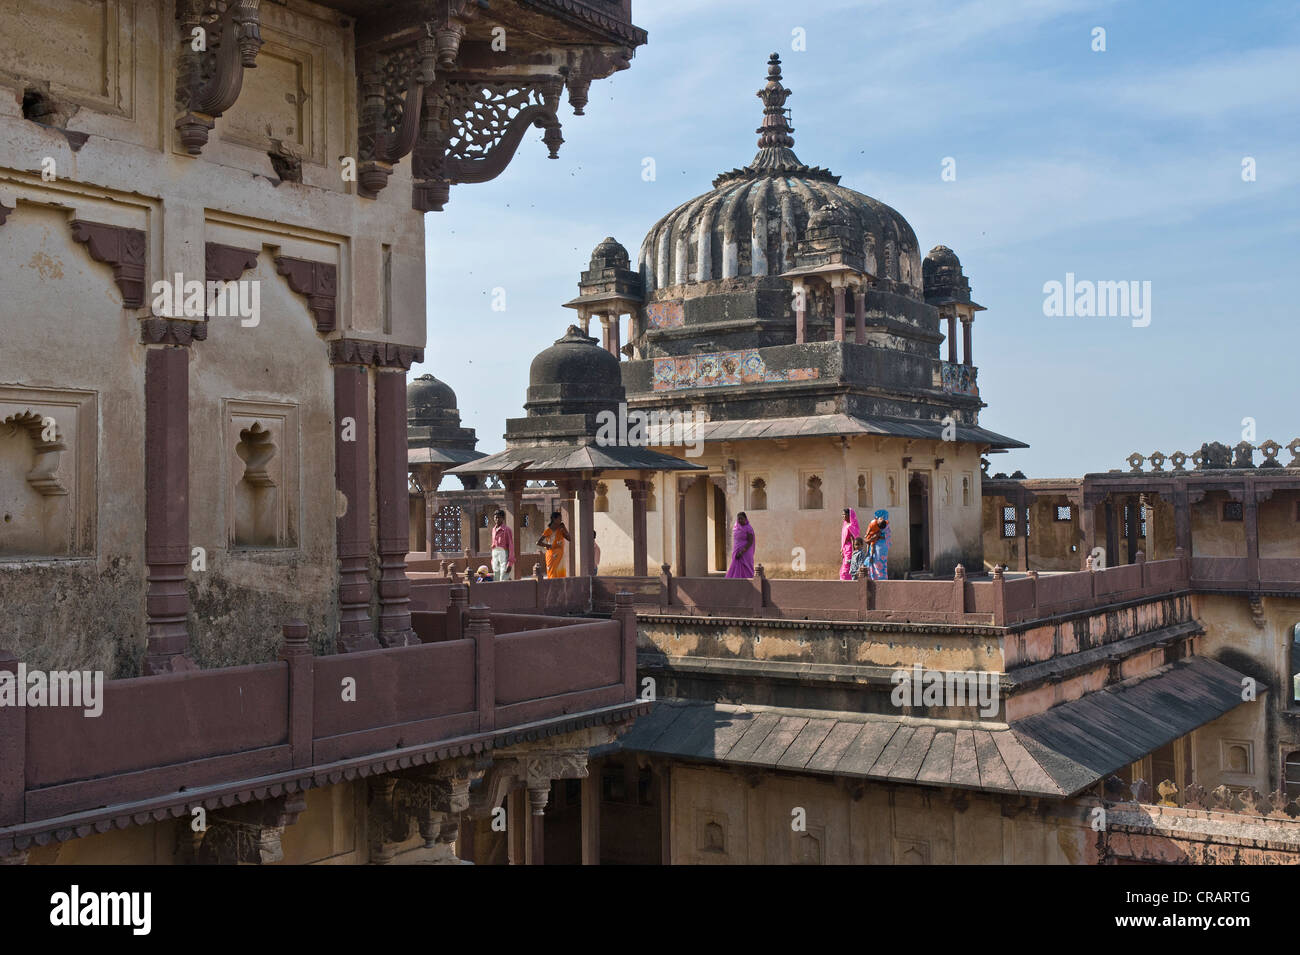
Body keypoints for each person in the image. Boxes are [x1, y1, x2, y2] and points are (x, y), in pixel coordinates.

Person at [538, 511, 569, 579]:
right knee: (552, 573)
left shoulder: (561, 530)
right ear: (554, 519)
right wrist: (547, 545)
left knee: (560, 574)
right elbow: (538, 542)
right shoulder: (548, 531)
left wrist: (564, 528)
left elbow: (569, 539)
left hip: (560, 555)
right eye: (559, 518)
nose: (561, 520)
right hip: (551, 556)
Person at [725, 512, 756, 578]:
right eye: (738, 519)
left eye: (742, 518)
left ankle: (748, 583)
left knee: (746, 568)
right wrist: (737, 552)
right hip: (736, 551)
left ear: (745, 519)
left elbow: (750, 542)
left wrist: (742, 552)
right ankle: (735, 582)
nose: (740, 520)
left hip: (746, 552)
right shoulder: (736, 527)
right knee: (735, 567)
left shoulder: (749, 528)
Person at [865, 509, 891, 580]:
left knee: (878, 564)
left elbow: (876, 536)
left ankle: (879, 579)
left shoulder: (884, 526)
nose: (876, 518)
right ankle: (877, 579)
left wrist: (869, 539)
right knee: (876, 564)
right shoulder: (876, 524)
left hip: (879, 549)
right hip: (878, 547)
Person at [490, 509, 514, 581]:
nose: (497, 519)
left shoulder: (507, 530)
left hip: (504, 555)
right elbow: (493, 545)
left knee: (503, 578)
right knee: (496, 579)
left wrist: (510, 563)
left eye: (499, 517)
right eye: (495, 517)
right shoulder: (493, 530)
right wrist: (492, 560)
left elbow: (511, 546)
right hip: (495, 556)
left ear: (503, 518)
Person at [839, 507, 860, 580]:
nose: (843, 516)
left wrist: (854, 552)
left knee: (847, 566)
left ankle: (848, 581)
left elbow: (853, 539)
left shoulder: (851, 526)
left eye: (845, 514)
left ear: (849, 515)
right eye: (842, 514)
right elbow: (843, 538)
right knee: (844, 566)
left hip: (850, 549)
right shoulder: (845, 524)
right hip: (845, 549)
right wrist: (842, 549)